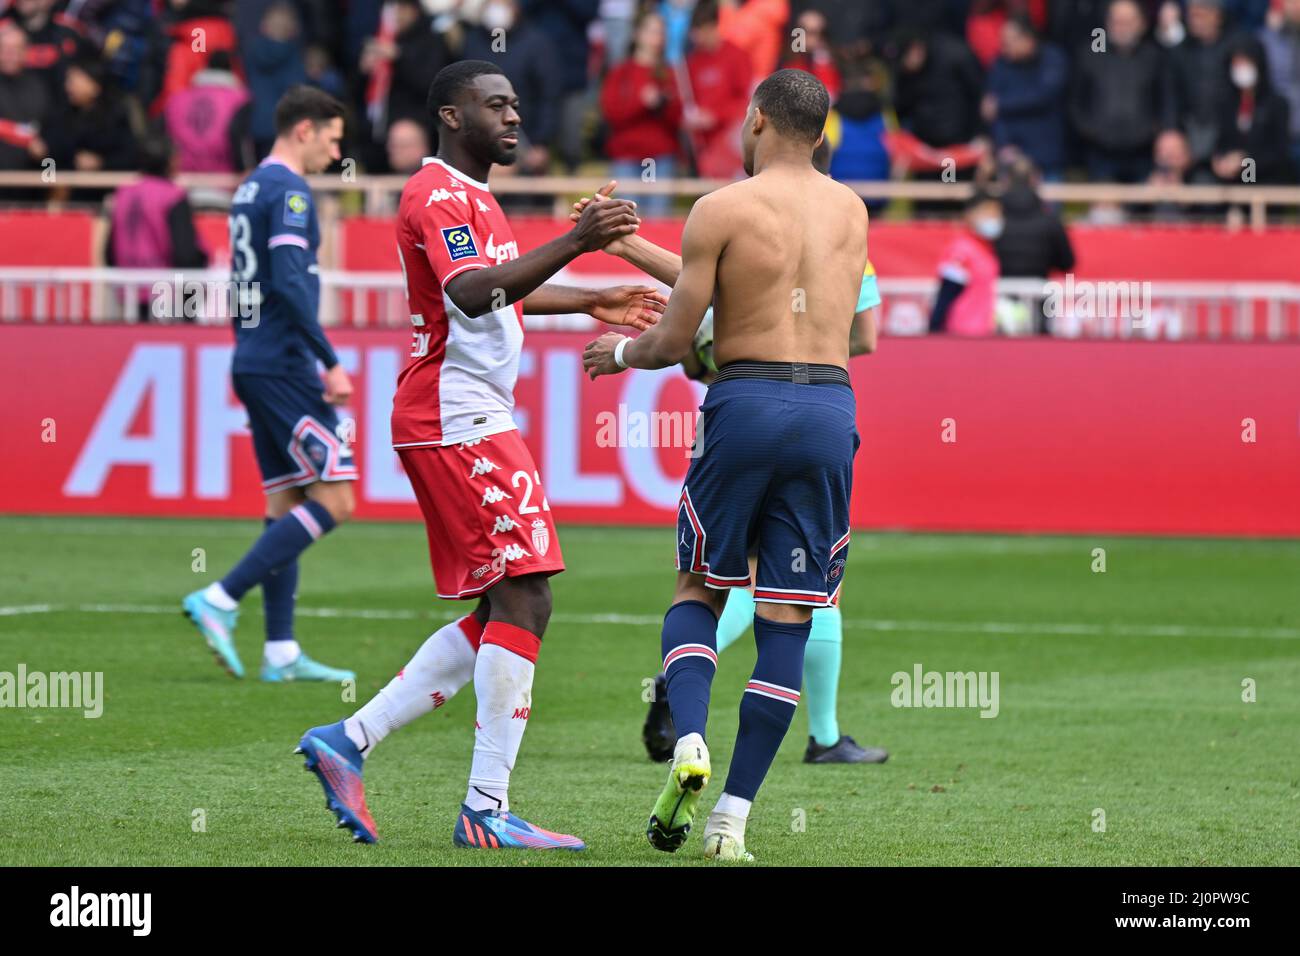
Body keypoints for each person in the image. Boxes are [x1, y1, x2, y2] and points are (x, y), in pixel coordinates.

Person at [294, 61, 666, 850]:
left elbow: (498, 289)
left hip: (470, 413)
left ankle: (349, 741)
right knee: (527, 598)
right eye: (494, 103)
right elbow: (468, 293)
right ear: (451, 115)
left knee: (505, 606)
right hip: (452, 415)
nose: (513, 115)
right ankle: (483, 809)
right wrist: (575, 241)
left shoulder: (477, 198)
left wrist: (589, 296)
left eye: (516, 102)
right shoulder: (435, 193)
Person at [583, 69, 869, 860]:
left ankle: (688, 743)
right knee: (789, 615)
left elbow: (680, 337)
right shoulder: (852, 210)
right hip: (831, 410)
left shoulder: (721, 208)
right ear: (820, 133)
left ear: (754, 121)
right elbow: (781, 298)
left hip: (745, 404)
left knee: (701, 587)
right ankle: (731, 823)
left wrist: (619, 352)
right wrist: (632, 244)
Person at [181, 86, 357, 683]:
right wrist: (328, 360)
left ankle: (279, 650)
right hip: (283, 363)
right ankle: (221, 598)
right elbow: (287, 281)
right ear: (304, 129)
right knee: (336, 497)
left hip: (253, 358)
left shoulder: (249, 187)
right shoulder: (287, 191)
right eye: (332, 139)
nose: (336, 153)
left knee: (286, 501)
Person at [104, 135, 207, 320]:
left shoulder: (122, 194)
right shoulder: (172, 196)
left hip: (128, 296)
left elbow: (109, 252)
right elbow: (186, 255)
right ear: (169, 161)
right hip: (165, 297)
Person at [600, 9, 682, 217]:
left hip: (659, 156)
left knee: (658, 219)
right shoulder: (621, 72)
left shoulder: (669, 72)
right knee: (626, 220)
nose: (656, 38)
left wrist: (663, 104)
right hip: (626, 155)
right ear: (637, 34)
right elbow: (611, 113)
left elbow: (678, 117)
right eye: (651, 31)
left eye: (660, 33)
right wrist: (642, 102)